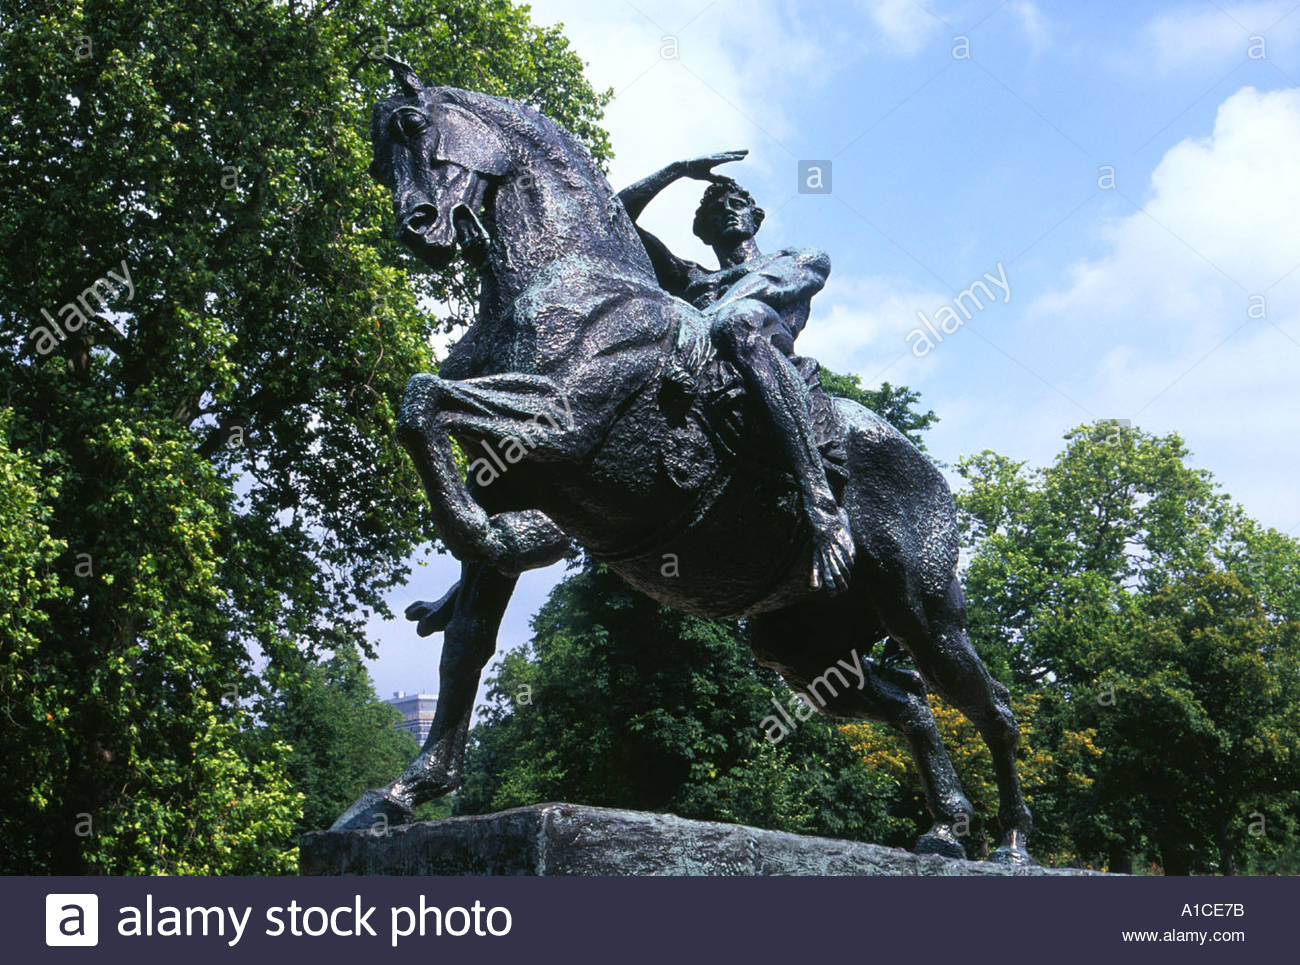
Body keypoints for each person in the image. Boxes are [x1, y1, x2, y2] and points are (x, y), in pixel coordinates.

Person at [618, 152, 854, 594]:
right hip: (699, 375)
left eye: (734, 203)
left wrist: (703, 319)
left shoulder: (800, 257)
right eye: (711, 210)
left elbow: (764, 294)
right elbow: (615, 216)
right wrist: (674, 171)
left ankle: (820, 505)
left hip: (764, 358)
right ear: (701, 230)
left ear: (756, 217)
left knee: (737, 319)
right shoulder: (691, 278)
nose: (724, 210)